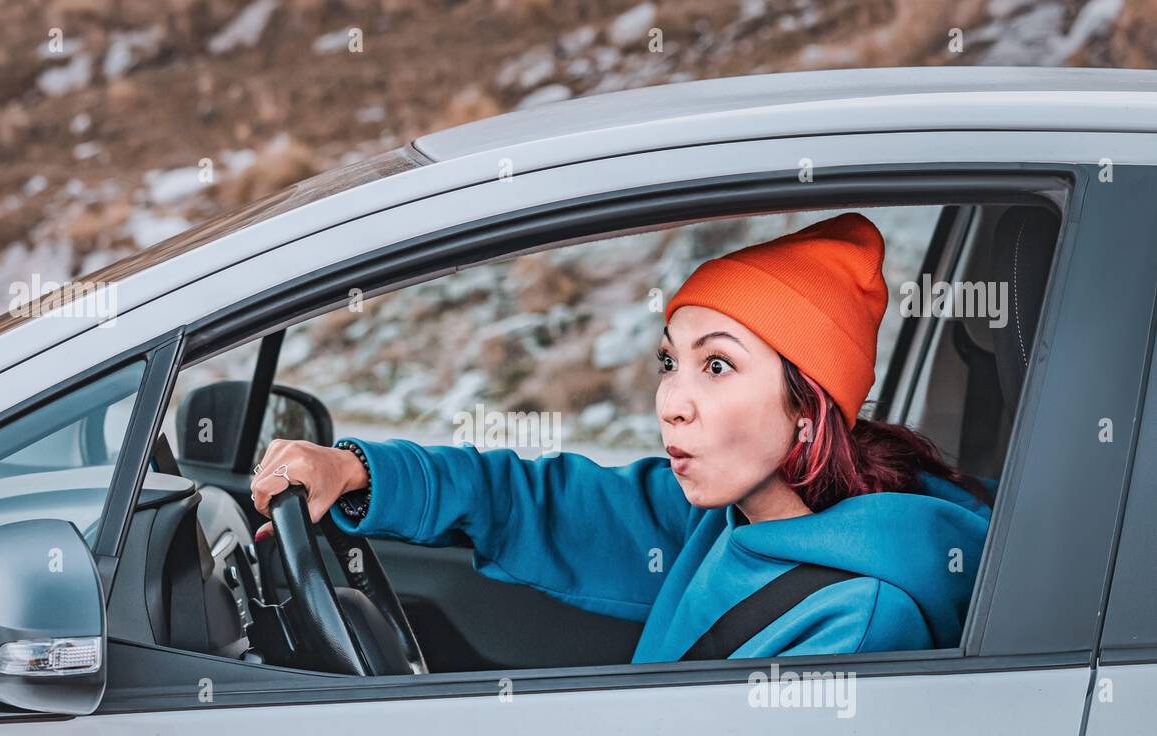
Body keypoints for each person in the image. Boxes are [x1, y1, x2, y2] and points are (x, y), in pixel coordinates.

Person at [250, 213, 994, 663]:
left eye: (717, 365)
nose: (672, 400)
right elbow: (531, 501)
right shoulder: (716, 514)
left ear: (808, 408)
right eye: (671, 362)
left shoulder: (858, 617)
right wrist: (354, 469)